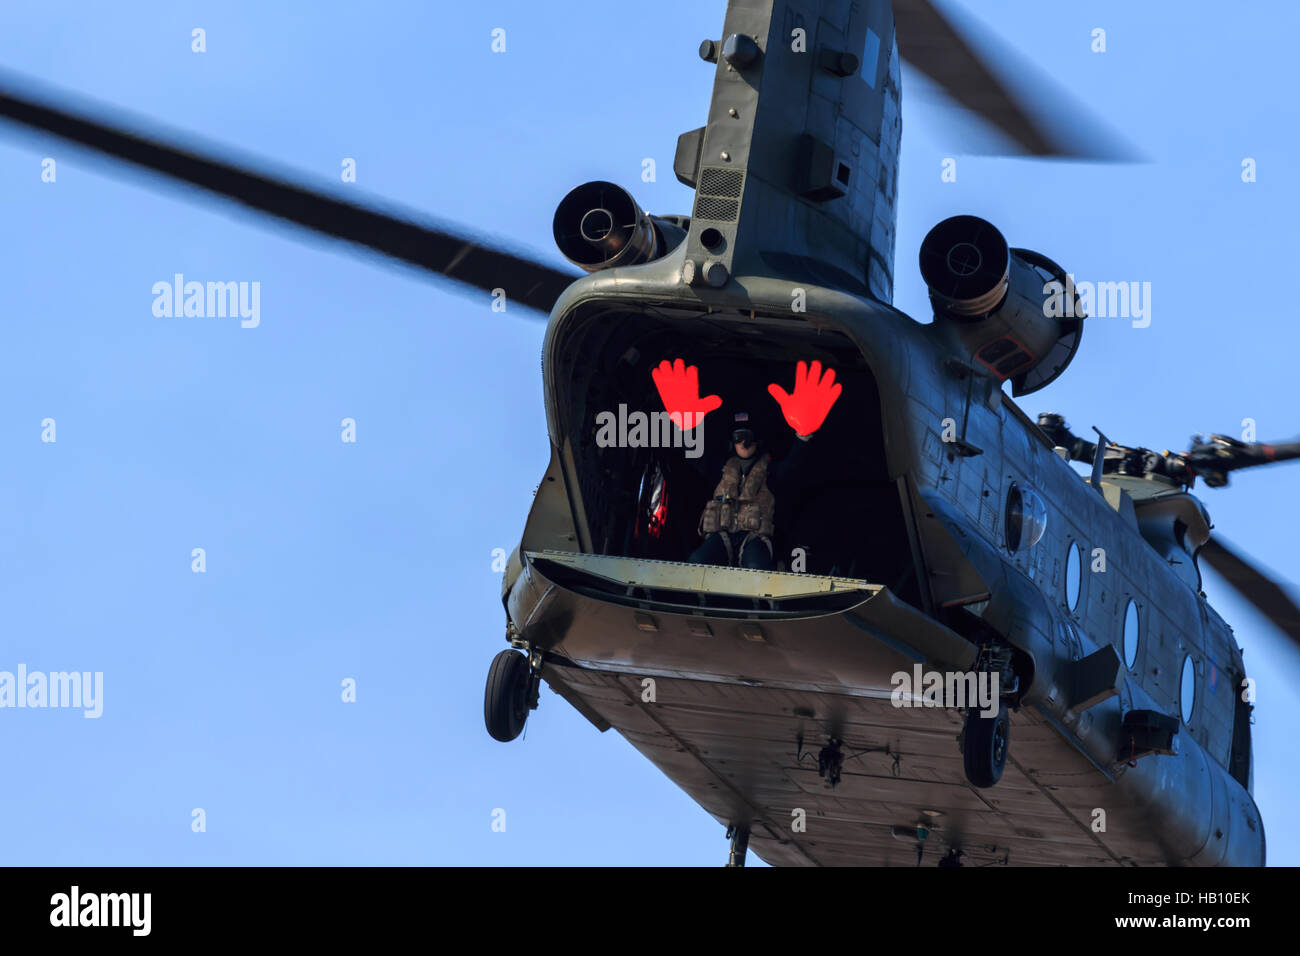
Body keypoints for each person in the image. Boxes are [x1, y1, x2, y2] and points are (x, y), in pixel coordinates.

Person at [650, 358, 842, 571]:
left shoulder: (771, 472)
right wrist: (686, 427)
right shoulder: (721, 469)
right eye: (738, 437)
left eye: (747, 436)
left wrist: (803, 436)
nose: (743, 442)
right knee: (697, 562)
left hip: (755, 537)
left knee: (756, 567)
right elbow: (695, 456)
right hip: (721, 535)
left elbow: (793, 468)